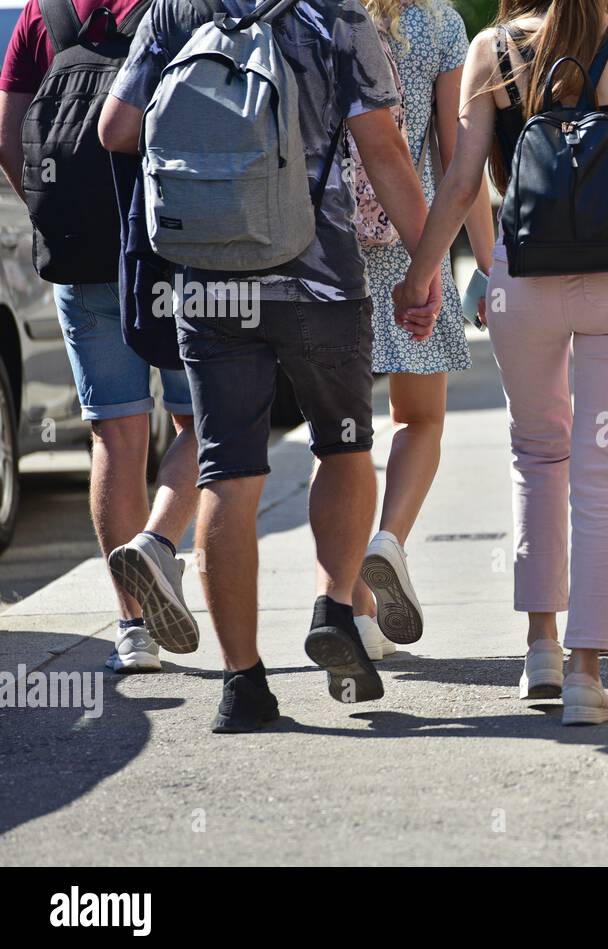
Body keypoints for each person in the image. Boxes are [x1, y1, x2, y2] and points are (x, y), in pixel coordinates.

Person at [100, 0, 439, 732]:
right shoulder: (338, 17)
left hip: (208, 278)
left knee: (228, 471)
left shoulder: (175, 11)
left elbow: (116, 130)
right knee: (343, 446)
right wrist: (426, 264)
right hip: (317, 281)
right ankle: (336, 611)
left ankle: (242, 684)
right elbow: (383, 149)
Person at [393, 0, 608, 726]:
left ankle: (539, 649)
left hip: (524, 280)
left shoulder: (493, 49)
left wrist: (422, 277)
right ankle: (587, 675)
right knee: (607, 465)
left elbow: (463, 182)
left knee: (537, 455)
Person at [0, 0, 200, 674]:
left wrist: (58, 218)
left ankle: (132, 631)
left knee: (114, 434)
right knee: (203, 420)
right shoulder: (178, 9)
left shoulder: (41, 14)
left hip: (82, 261)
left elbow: (9, 135)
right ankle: (157, 544)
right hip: (173, 253)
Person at [349, 0, 496, 660]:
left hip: (318, 251)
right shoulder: (439, 23)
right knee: (420, 422)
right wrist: (487, 267)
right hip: (416, 247)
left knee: (339, 442)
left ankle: (356, 612)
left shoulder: (312, 15)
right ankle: (390, 541)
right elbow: (457, 154)